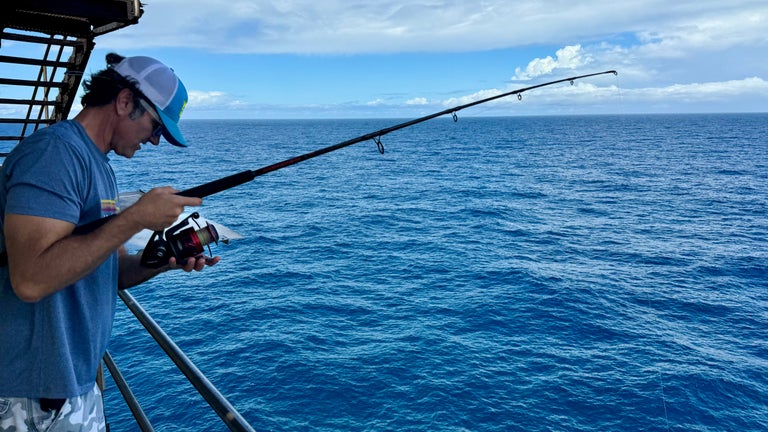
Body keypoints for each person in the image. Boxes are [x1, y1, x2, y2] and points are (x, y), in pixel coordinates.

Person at [0, 53, 218, 431]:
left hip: (73, 388)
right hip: (31, 397)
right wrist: (134, 218)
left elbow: (112, 271)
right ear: (124, 102)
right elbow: (30, 279)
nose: (154, 141)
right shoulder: (55, 155)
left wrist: (163, 259)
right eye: (155, 127)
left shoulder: (100, 168)